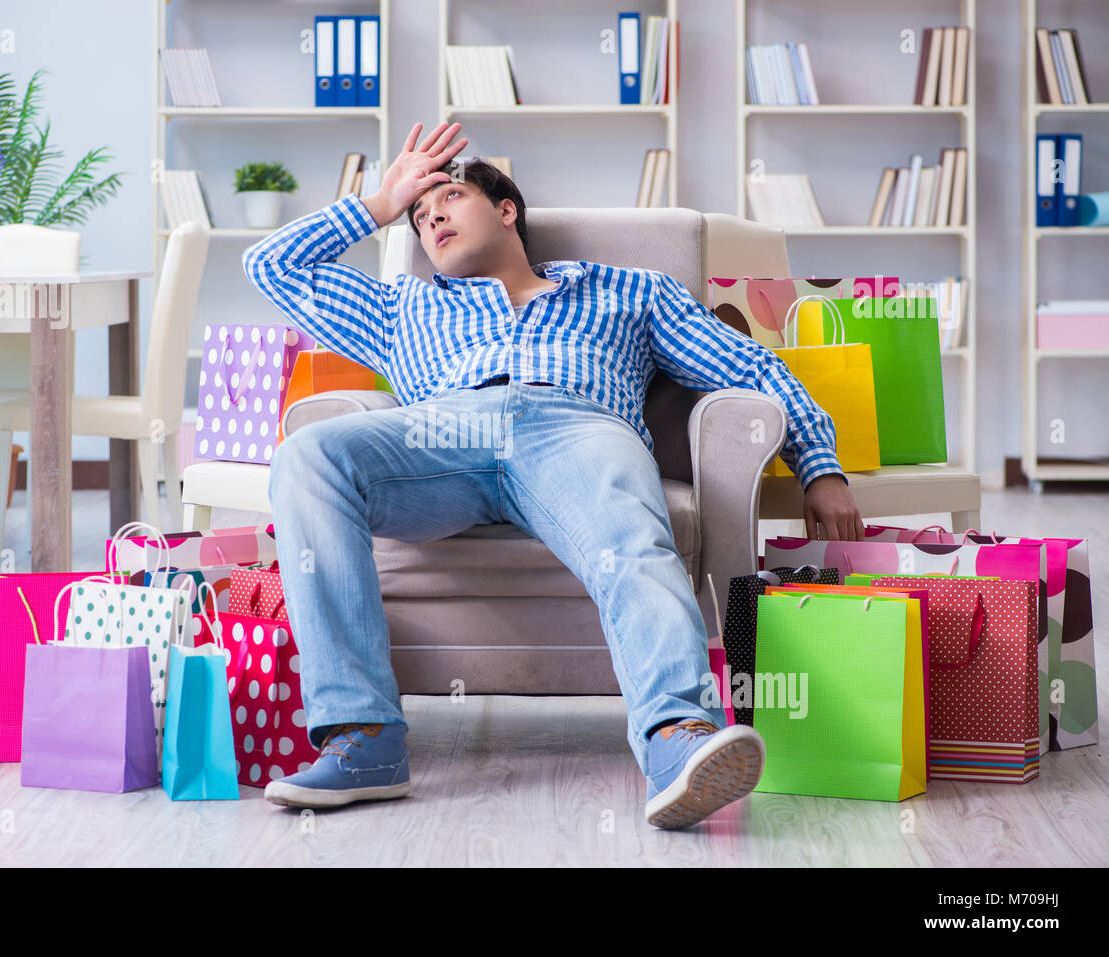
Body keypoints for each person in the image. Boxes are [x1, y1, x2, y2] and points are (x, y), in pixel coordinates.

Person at [241, 121, 865, 829]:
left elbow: (750, 367)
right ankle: (364, 739)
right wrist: (381, 203)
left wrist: (819, 464)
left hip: (578, 428)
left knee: (630, 528)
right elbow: (270, 266)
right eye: (419, 216)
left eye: (446, 196)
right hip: (447, 430)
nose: (430, 216)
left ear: (507, 210)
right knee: (307, 453)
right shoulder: (401, 306)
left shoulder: (631, 291)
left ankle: (676, 739)